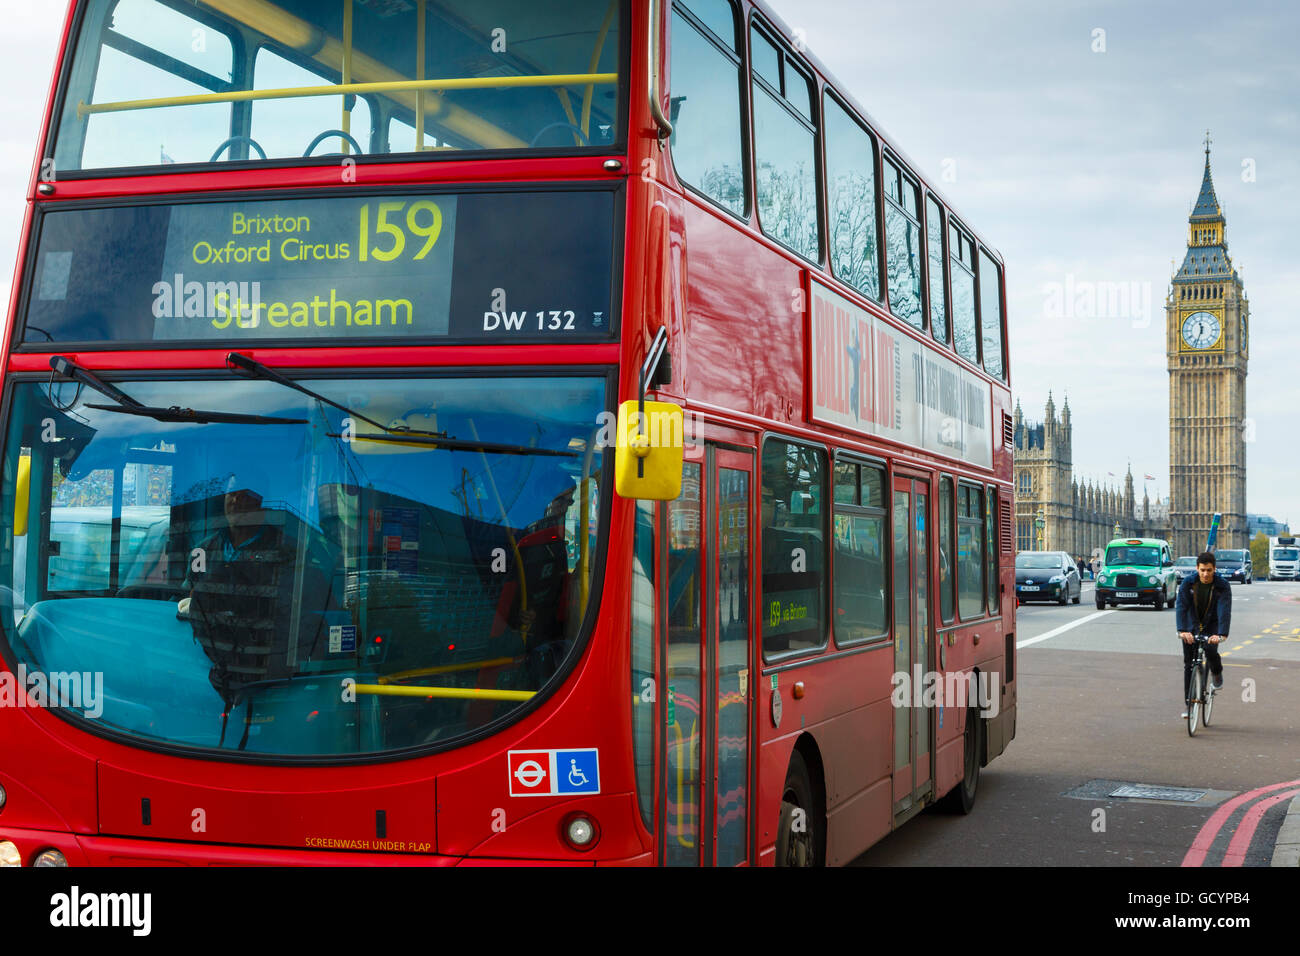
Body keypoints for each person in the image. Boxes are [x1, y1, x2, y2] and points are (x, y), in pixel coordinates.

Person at [180, 470, 336, 719]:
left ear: (259, 501)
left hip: (271, 677)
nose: (235, 502)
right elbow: (189, 596)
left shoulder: (288, 551)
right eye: (231, 494)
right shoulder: (204, 549)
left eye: (244, 496)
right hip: (214, 672)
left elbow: (313, 613)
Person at [1175, 550, 1229, 719]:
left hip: (1211, 625)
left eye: (1209, 570)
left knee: (1211, 651)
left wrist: (1221, 634)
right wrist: (1182, 630)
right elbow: (1181, 608)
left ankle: (1217, 672)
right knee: (1189, 664)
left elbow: (1224, 610)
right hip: (1191, 626)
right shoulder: (1187, 584)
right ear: (1197, 568)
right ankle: (1189, 706)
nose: (1205, 574)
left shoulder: (1222, 585)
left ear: (1214, 570)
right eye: (1202, 570)